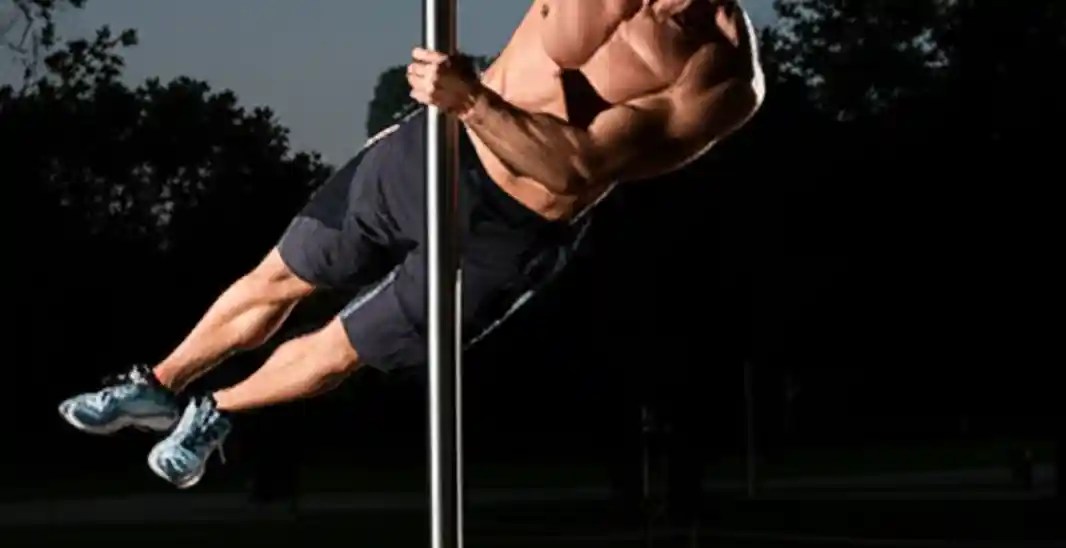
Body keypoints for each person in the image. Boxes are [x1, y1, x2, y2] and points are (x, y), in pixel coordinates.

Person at [58, 0, 765, 489]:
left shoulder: (721, 76)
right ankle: (158, 385)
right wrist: (459, 106)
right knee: (280, 275)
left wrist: (470, 99)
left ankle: (218, 415)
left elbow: (574, 165)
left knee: (341, 346)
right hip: (433, 151)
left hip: (510, 230)